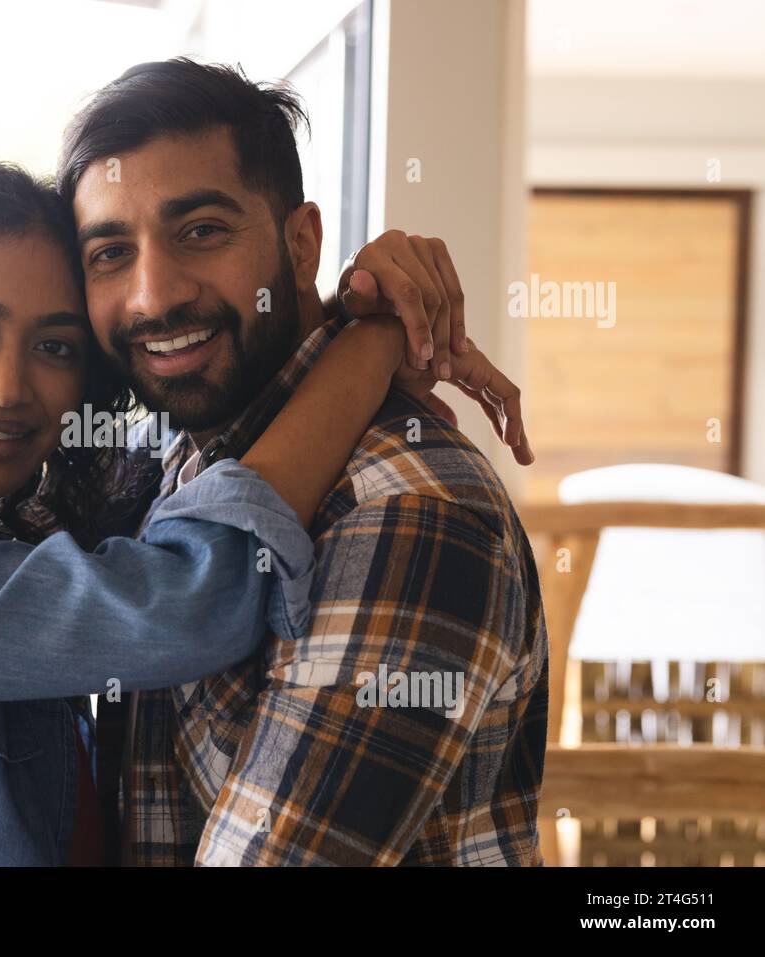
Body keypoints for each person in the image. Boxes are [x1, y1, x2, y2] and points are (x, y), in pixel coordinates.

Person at [0, 160, 523, 865]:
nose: (9, 386)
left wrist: (364, 293)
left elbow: (213, 430)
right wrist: (370, 341)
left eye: (56, 346)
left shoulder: (51, 521)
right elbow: (197, 594)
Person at [58, 58, 548, 865]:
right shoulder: (154, 463)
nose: (152, 295)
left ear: (302, 242)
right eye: (111, 252)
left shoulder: (409, 503)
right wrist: (374, 332)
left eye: (201, 231)